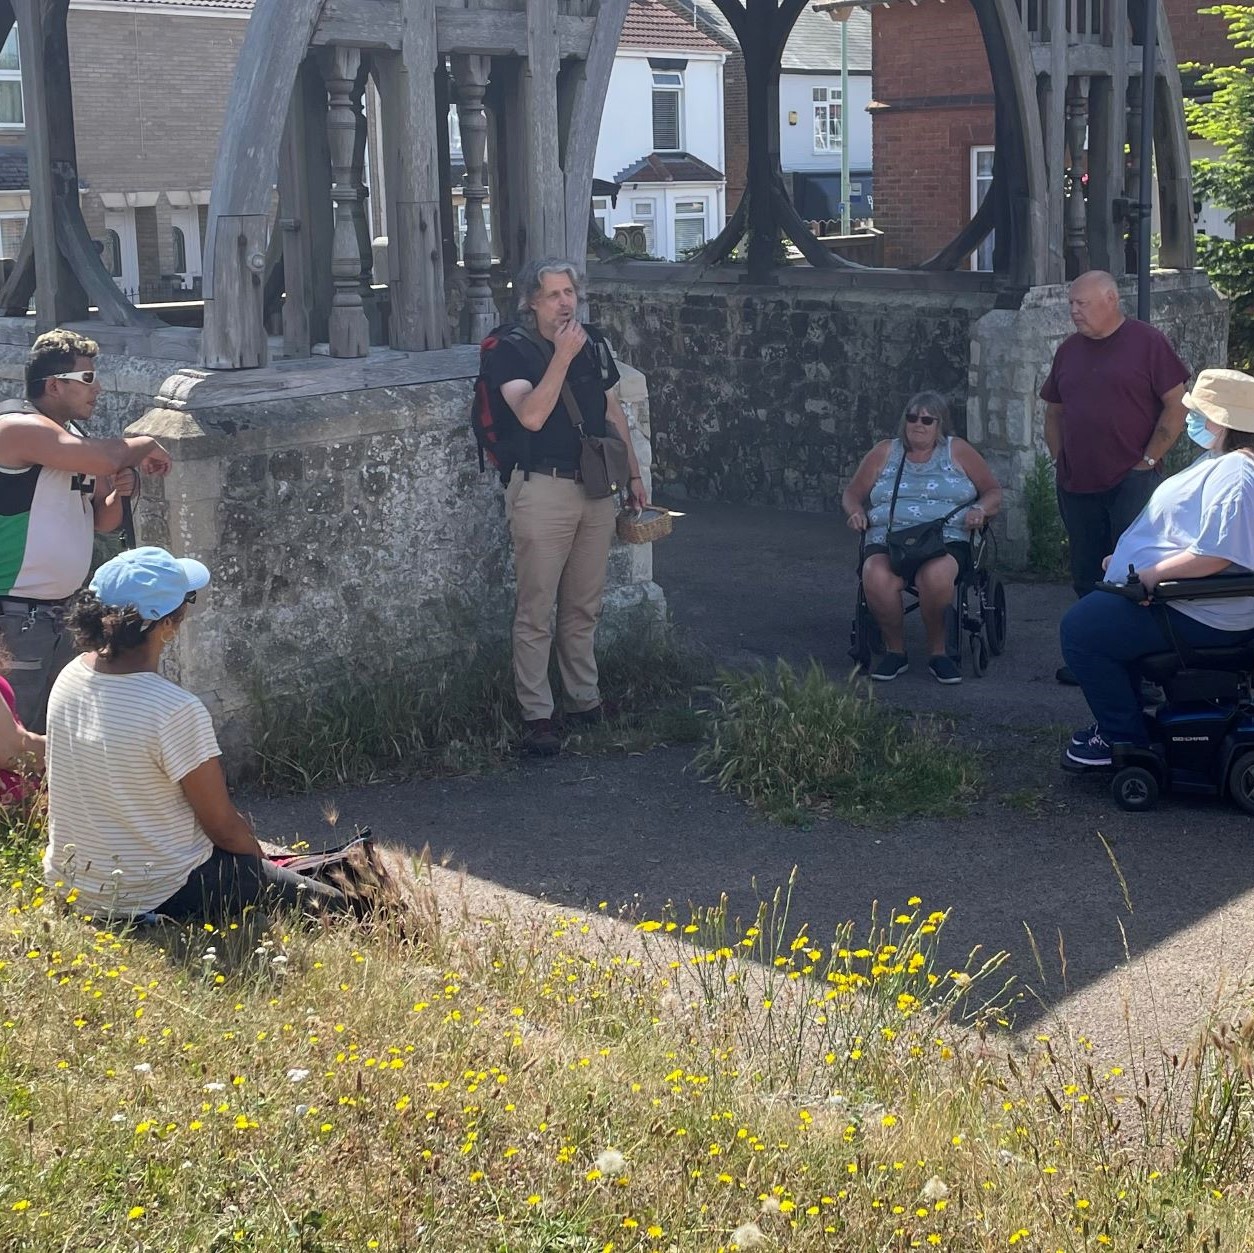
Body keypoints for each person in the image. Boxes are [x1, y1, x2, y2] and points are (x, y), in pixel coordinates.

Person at [41, 546, 345, 922]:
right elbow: (224, 829)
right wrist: (259, 866)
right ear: (167, 624)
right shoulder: (174, 709)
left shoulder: (70, 676)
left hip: (74, 882)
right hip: (157, 889)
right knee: (344, 906)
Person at [487, 258, 648, 756]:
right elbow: (532, 416)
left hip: (594, 487)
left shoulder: (593, 343)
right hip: (542, 488)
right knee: (537, 610)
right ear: (532, 302)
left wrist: (636, 475)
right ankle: (537, 715)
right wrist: (560, 356)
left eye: (569, 293)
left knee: (583, 604)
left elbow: (611, 408)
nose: (564, 303)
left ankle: (584, 701)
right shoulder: (508, 351)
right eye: (553, 294)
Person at [1061, 368, 1254, 766]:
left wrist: (1153, 574)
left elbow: (1217, 554)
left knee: (1081, 631)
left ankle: (1125, 738)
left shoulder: (1236, 473)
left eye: (1198, 412)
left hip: (1198, 609)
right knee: (1099, 622)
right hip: (1192, 600)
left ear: (1222, 420)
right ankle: (1126, 723)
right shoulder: (1224, 461)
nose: (1190, 420)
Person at [0, 329, 173, 731]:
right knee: (13, 740)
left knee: (59, 733)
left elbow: (102, 522)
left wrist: (119, 495)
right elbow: (104, 458)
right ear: (54, 385)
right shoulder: (18, 426)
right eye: (87, 380)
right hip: (15, 615)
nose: (97, 390)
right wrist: (144, 443)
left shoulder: (72, 437)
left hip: (62, 612)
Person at [1041, 270, 1190, 684]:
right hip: (1076, 482)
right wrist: (1059, 458)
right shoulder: (1069, 350)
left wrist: (1149, 458)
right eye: (1071, 303)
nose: (1073, 311)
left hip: (1133, 480)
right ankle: (1092, 657)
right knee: (1087, 575)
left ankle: (1146, 669)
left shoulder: (1147, 343)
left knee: (1135, 574)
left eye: (1081, 303)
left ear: (1110, 300)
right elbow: (1053, 411)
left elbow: (1177, 405)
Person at [842, 391, 1002, 684]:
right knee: (875, 574)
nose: (918, 424)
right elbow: (853, 493)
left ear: (940, 424)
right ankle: (895, 652)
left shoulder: (958, 451)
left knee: (936, 576)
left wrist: (980, 510)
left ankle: (939, 653)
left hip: (945, 538)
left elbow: (993, 491)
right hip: (891, 537)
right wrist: (855, 512)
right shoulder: (884, 452)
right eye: (912, 417)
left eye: (927, 419)